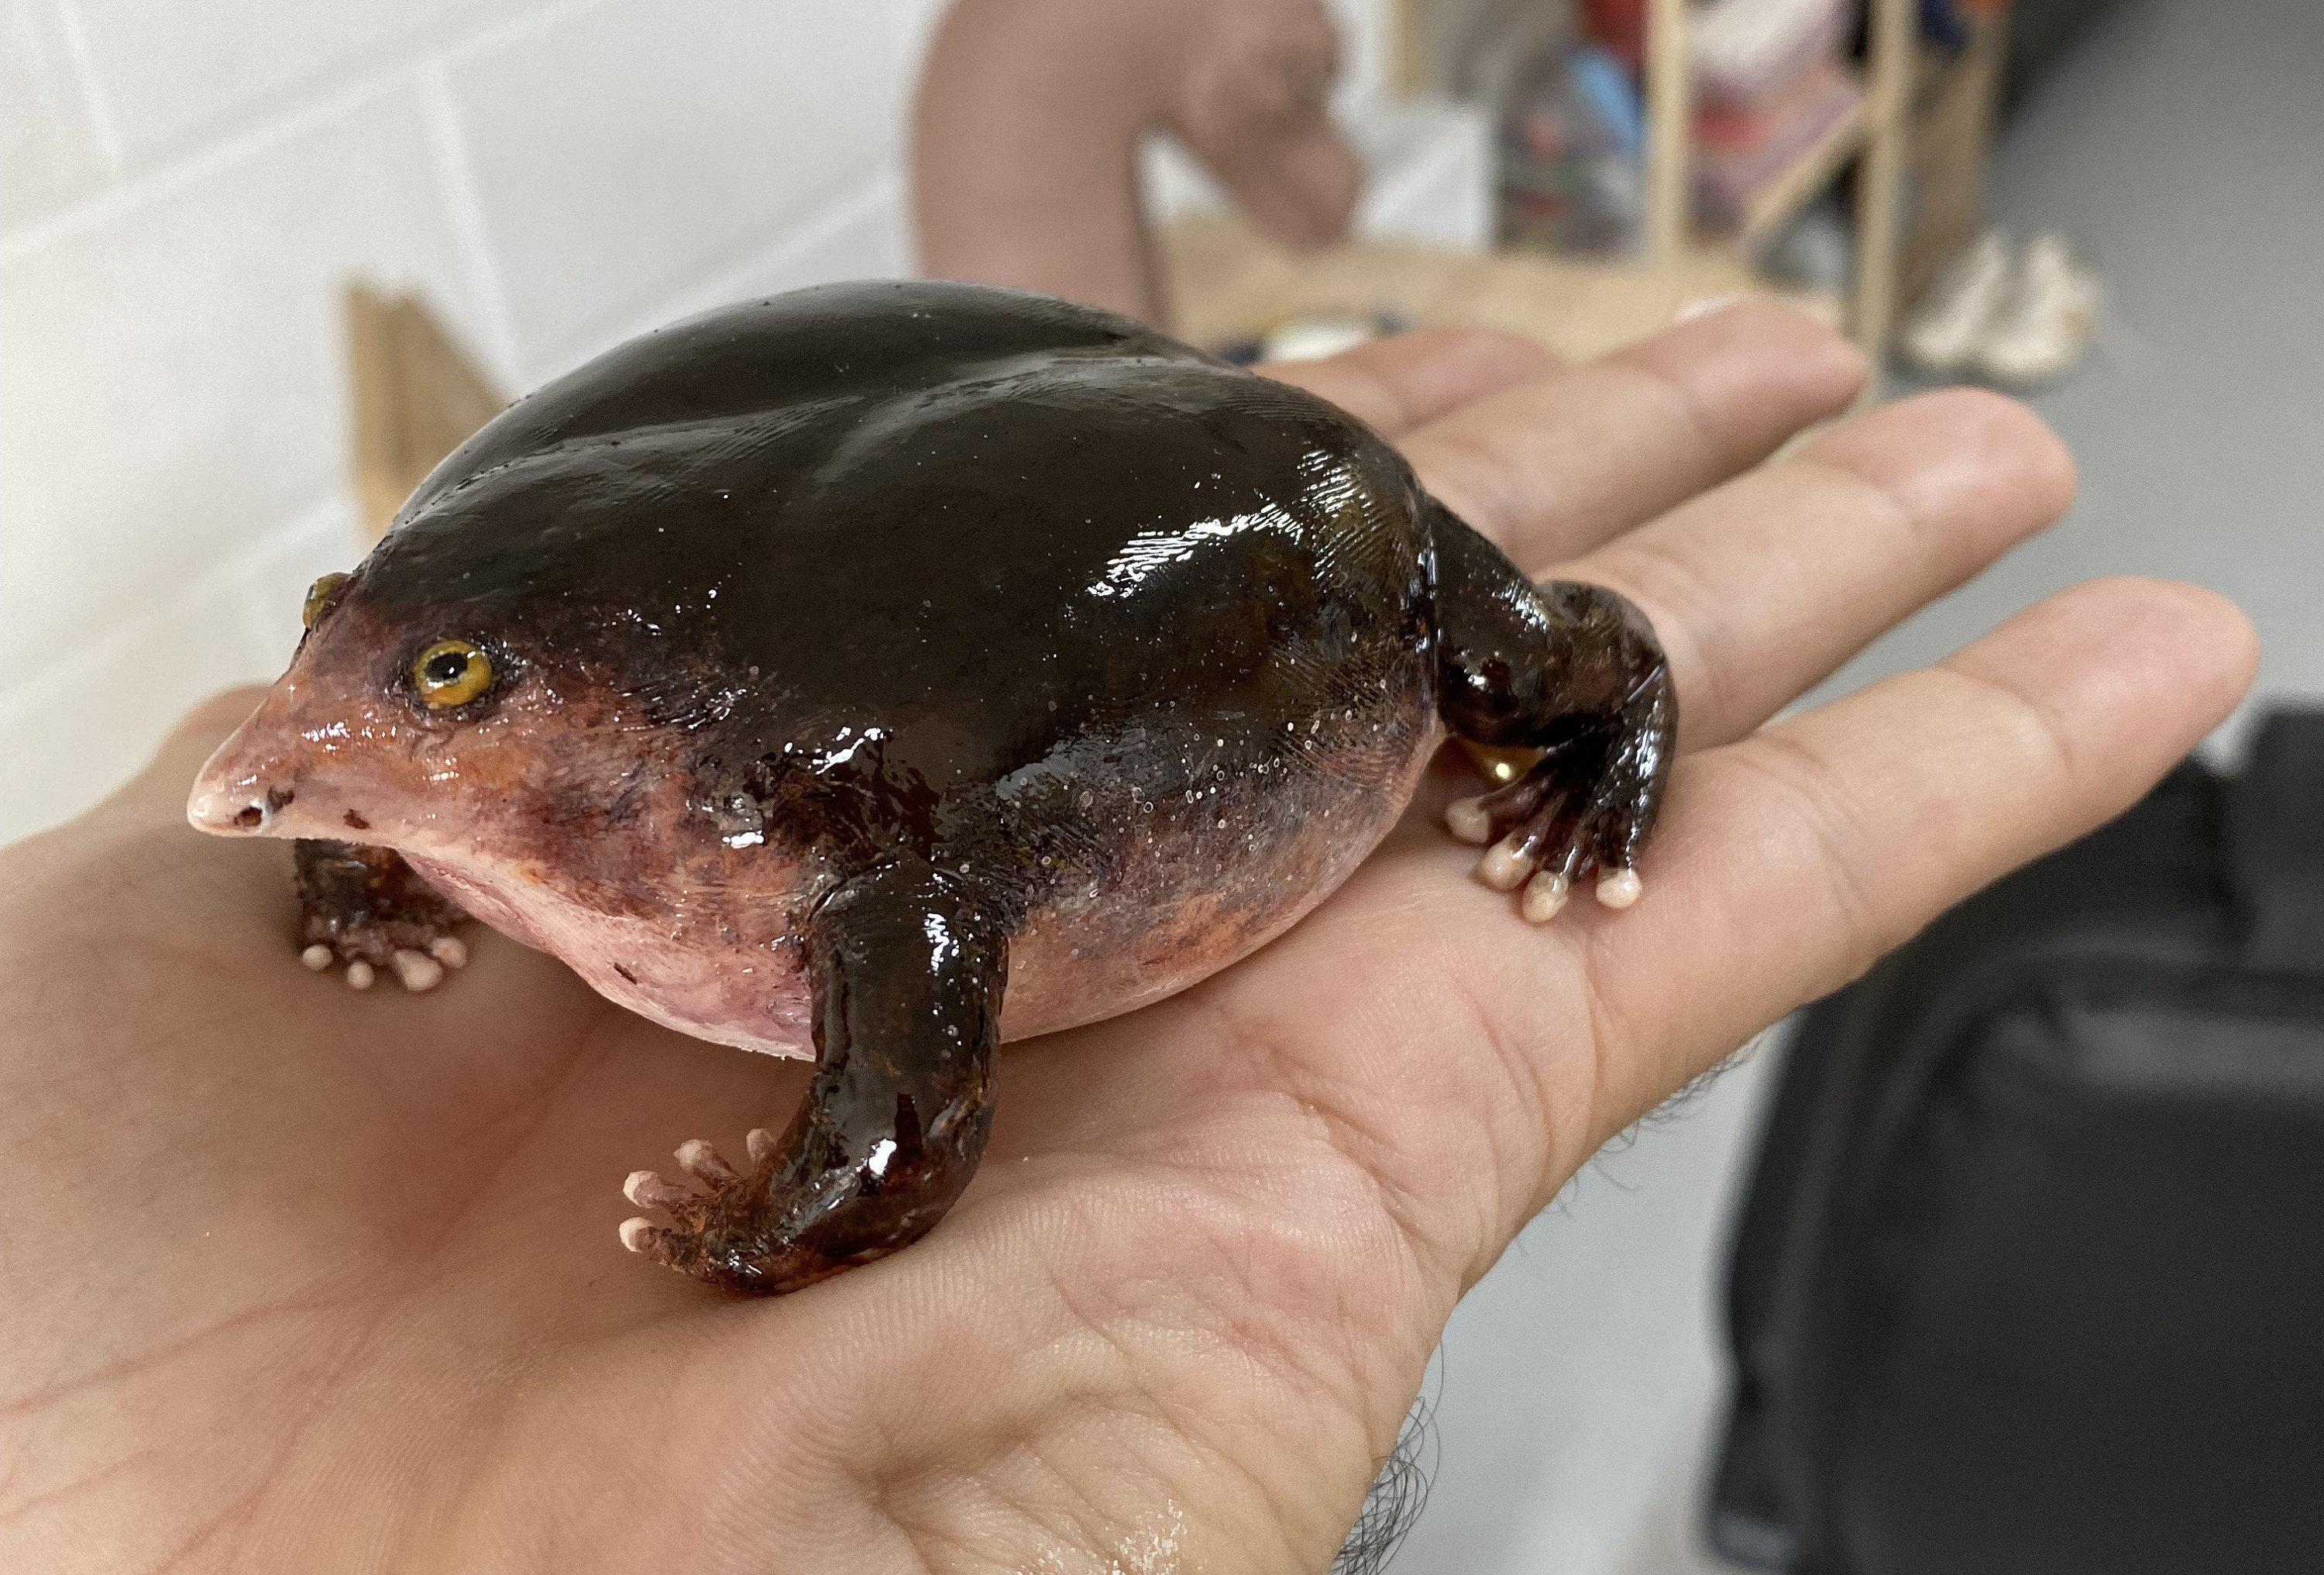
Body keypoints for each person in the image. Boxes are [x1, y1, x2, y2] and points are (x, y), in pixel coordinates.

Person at [0, 303, 2254, 1573]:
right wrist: (375, 819)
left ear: (612, 731)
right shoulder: (533, 756)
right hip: (968, 505)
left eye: (446, 696)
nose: (273, 755)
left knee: (1535, 640)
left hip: (1312, 541)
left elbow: (902, 1119)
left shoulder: (850, 839)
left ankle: (1600, 717)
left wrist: (794, 1210)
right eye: (357, 659)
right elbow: (381, 734)